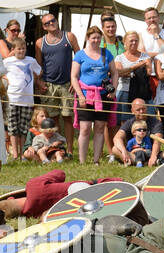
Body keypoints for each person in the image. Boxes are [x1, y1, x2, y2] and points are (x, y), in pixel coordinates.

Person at [70, 24, 117, 164]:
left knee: (100, 127)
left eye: (98, 38)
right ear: (87, 38)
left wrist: (113, 89)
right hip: (85, 94)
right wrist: (80, 95)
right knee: (84, 128)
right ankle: (82, 161)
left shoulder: (106, 53)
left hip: (103, 95)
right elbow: (74, 76)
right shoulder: (80, 55)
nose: (96, 40)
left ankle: (96, 160)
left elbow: (114, 73)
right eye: (93, 38)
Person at [34, 12, 78, 148]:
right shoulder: (40, 42)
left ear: (56, 21)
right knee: (52, 119)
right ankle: (57, 148)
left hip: (67, 84)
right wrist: (39, 82)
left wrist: (75, 80)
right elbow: (38, 65)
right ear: (44, 27)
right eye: (47, 23)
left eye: (53, 20)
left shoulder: (69, 36)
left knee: (67, 118)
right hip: (49, 85)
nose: (51, 23)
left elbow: (79, 58)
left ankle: (69, 151)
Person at [2, 35, 41, 160]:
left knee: (23, 128)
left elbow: (39, 71)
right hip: (13, 99)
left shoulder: (31, 60)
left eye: (23, 48)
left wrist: (36, 80)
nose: (22, 51)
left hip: (27, 100)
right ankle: (15, 154)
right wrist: (6, 78)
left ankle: (23, 153)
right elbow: (1, 73)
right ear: (13, 49)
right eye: (19, 49)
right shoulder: (7, 62)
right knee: (13, 128)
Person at [109, 98, 164, 166]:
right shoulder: (129, 122)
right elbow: (117, 138)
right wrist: (124, 152)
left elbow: (157, 141)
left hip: (150, 152)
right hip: (134, 154)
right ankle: (142, 162)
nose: (141, 111)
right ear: (132, 111)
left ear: (146, 108)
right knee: (115, 149)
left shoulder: (156, 122)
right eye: (138, 110)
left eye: (143, 108)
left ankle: (138, 162)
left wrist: (153, 156)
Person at [112, 31, 151, 121]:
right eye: (131, 40)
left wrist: (128, 72)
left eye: (136, 40)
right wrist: (138, 66)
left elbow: (148, 72)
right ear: (124, 42)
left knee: (144, 120)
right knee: (124, 121)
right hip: (124, 92)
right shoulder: (119, 57)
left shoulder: (145, 56)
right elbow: (119, 73)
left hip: (141, 92)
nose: (134, 43)